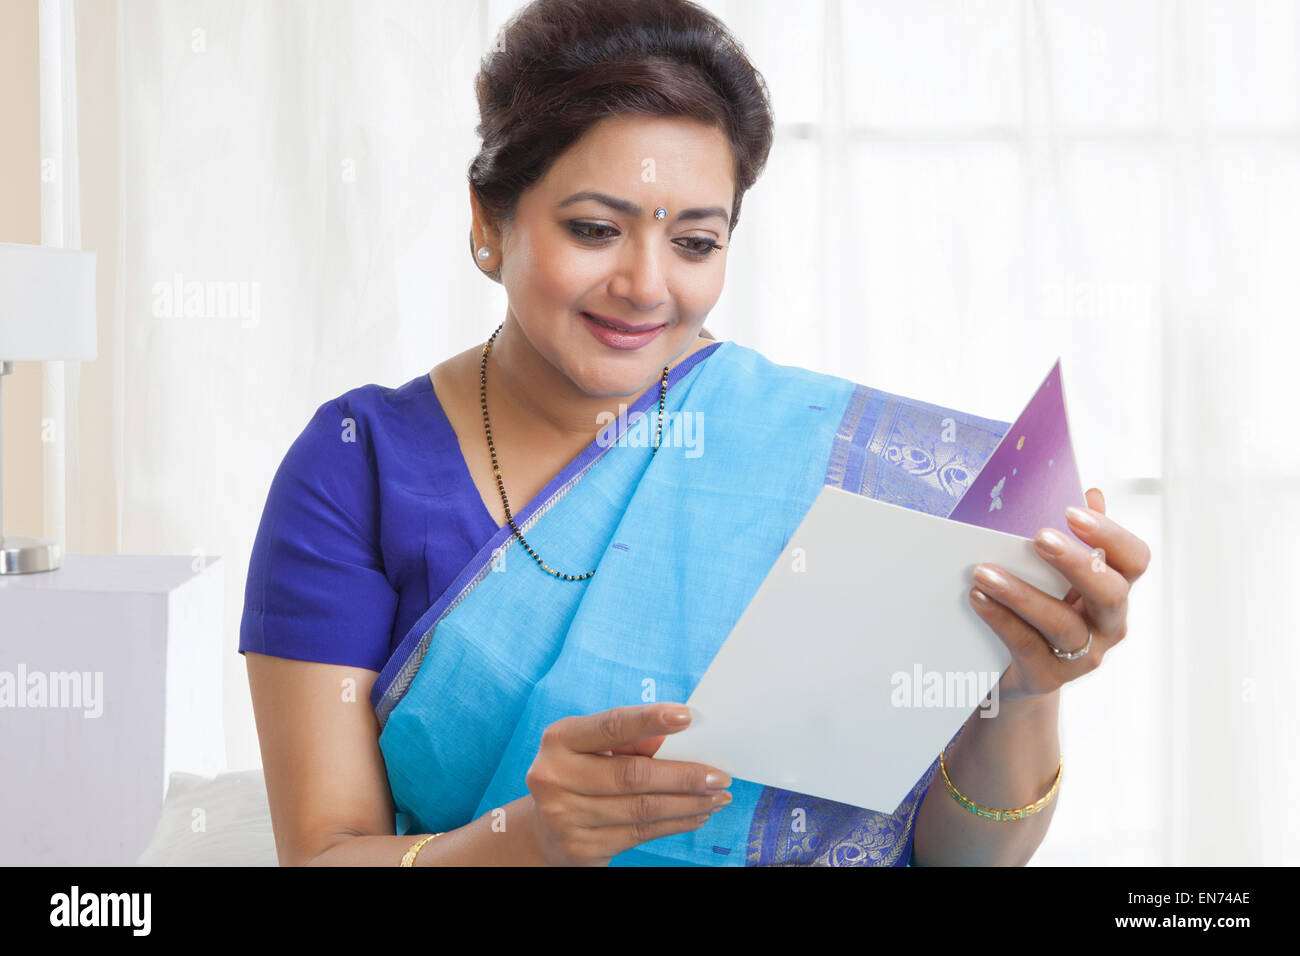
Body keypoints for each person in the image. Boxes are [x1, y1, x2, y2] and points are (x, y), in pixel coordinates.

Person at [240, 0, 1151, 867]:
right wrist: (530, 841)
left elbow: (961, 861)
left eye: (695, 244)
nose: (645, 286)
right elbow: (323, 853)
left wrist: (1023, 693)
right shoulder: (358, 470)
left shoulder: (838, 468)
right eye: (596, 228)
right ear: (488, 223)